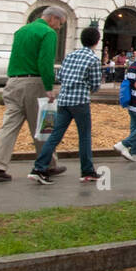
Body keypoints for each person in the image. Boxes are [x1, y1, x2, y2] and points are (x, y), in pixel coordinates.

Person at [0, 7, 65, 183]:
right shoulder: (48, 33)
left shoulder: (21, 31)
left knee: (8, 127)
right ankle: (47, 164)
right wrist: (49, 86)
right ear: (53, 18)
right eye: (60, 23)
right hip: (34, 83)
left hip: (13, 81)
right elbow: (45, 61)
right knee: (43, 126)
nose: (59, 28)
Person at [28, 26, 104, 184]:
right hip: (80, 101)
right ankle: (87, 171)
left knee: (55, 135)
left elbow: (60, 76)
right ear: (97, 41)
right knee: (84, 136)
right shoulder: (93, 59)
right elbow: (95, 85)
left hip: (63, 100)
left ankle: (39, 167)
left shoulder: (70, 56)